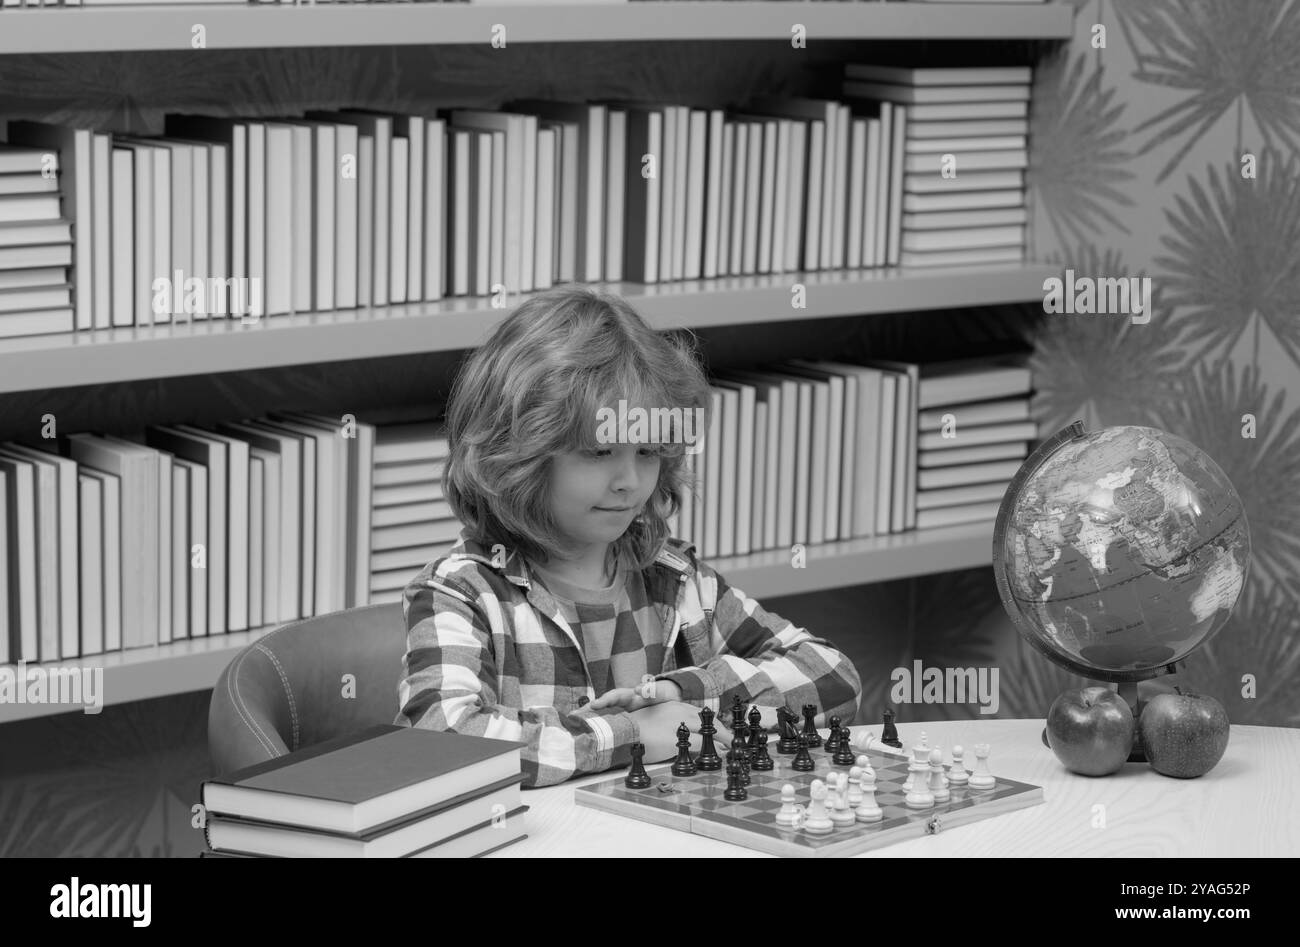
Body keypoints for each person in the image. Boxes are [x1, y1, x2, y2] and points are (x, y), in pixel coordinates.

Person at [395, 286, 862, 787]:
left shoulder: (676, 579)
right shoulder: (460, 592)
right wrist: (633, 731)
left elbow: (834, 677)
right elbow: (442, 742)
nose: (630, 481)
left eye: (648, 452)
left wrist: (683, 695)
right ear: (517, 456)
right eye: (599, 453)